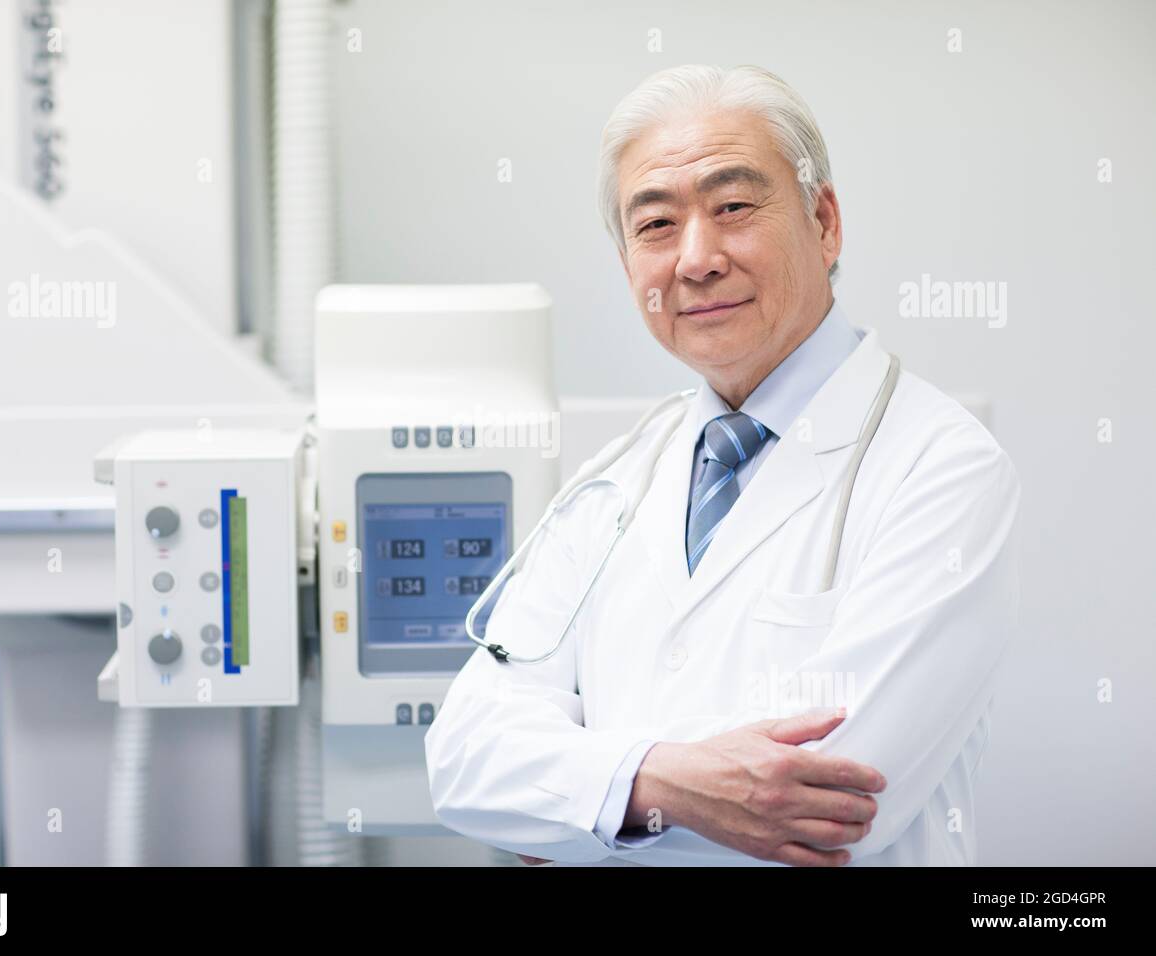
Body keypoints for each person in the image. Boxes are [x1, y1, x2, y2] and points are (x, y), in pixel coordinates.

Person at [424, 64, 1021, 866]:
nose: (696, 260)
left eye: (734, 207)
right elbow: (463, 761)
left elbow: (833, 806)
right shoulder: (616, 480)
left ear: (825, 221)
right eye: (656, 225)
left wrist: (579, 805)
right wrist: (666, 785)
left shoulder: (943, 470)